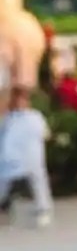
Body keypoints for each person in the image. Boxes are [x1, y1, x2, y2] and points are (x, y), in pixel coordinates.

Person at [0, 86, 53, 228]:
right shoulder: (9, 119)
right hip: (12, 158)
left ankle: (43, 209)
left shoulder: (33, 117)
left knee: (37, 182)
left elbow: (44, 134)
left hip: (29, 157)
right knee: (5, 183)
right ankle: (4, 206)